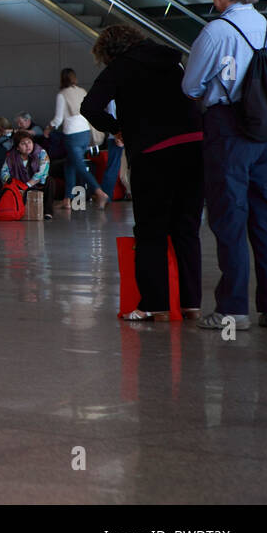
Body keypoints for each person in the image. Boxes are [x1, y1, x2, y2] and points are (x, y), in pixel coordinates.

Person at [180, 0, 267, 331]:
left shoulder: (216, 31)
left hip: (229, 132)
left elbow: (191, 86)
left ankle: (233, 309)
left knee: (230, 219)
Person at [81, 24, 203, 321]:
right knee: (186, 228)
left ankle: (155, 305)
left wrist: (117, 128)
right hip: (195, 146)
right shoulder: (172, 59)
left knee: (151, 229)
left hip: (153, 152)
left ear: (108, 52)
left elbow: (91, 107)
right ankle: (191, 304)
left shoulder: (120, 67)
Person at [49, 68, 109, 211]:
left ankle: (99, 192)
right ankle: (67, 200)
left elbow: (58, 119)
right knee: (69, 165)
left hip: (72, 135)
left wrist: (48, 128)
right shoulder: (82, 91)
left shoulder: (62, 94)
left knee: (80, 166)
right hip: (85, 133)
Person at [0, 130, 52, 219]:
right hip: (19, 185)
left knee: (50, 181)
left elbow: (43, 171)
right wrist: (14, 184)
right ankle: (17, 211)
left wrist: (27, 185)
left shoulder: (41, 152)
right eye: (23, 144)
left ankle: (48, 212)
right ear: (17, 148)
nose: (28, 146)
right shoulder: (11, 157)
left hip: (36, 183)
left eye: (29, 142)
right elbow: (3, 173)